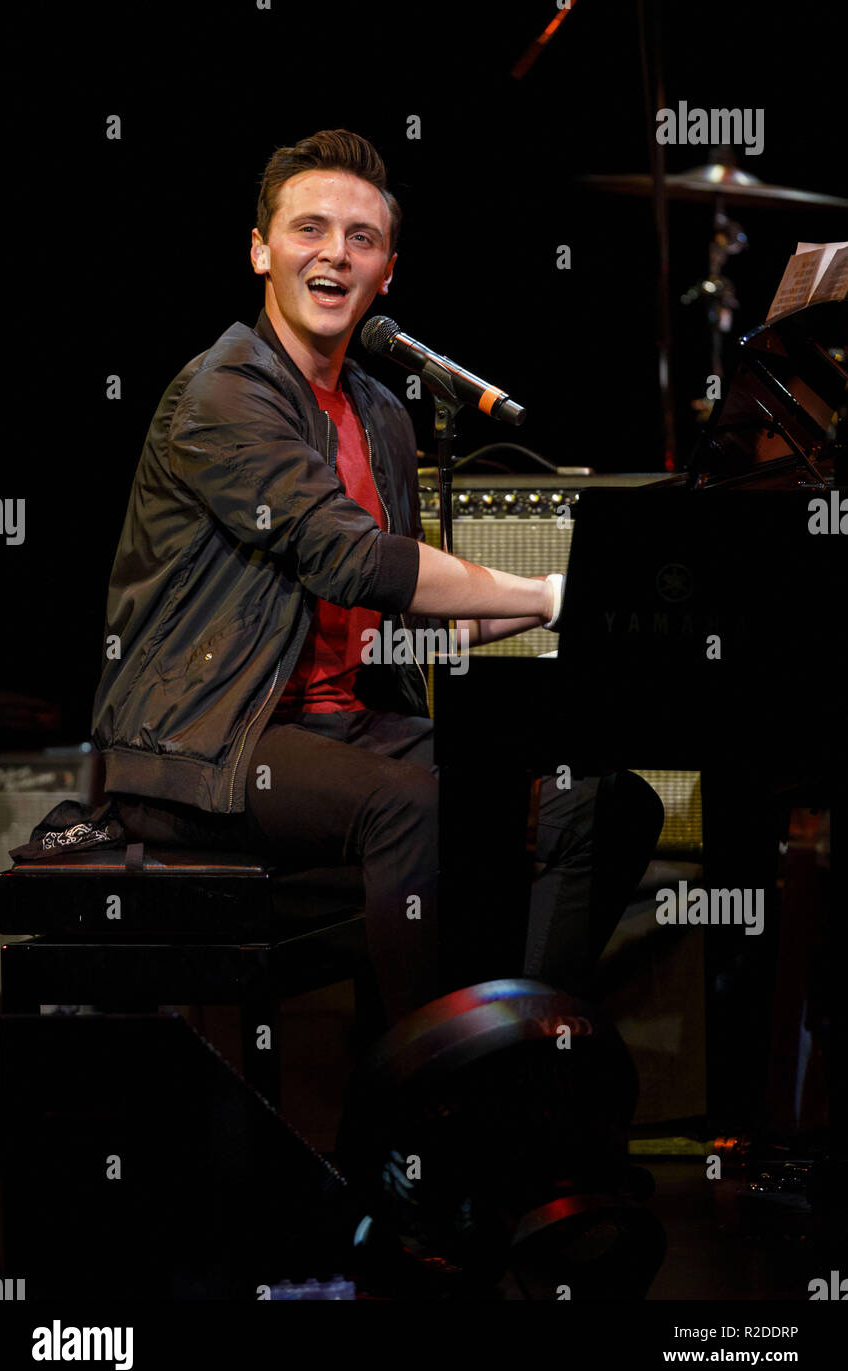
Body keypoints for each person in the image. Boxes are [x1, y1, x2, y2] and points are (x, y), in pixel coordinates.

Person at [91, 129, 663, 1032]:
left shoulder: (381, 412)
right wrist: (549, 596)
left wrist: (604, 607)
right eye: (308, 229)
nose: (333, 253)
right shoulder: (223, 392)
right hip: (207, 746)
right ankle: (424, 1112)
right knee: (417, 810)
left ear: (387, 271)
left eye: (361, 239)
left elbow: (407, 613)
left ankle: (523, 1045)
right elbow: (354, 559)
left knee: (600, 803)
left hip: (348, 727)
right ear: (260, 250)